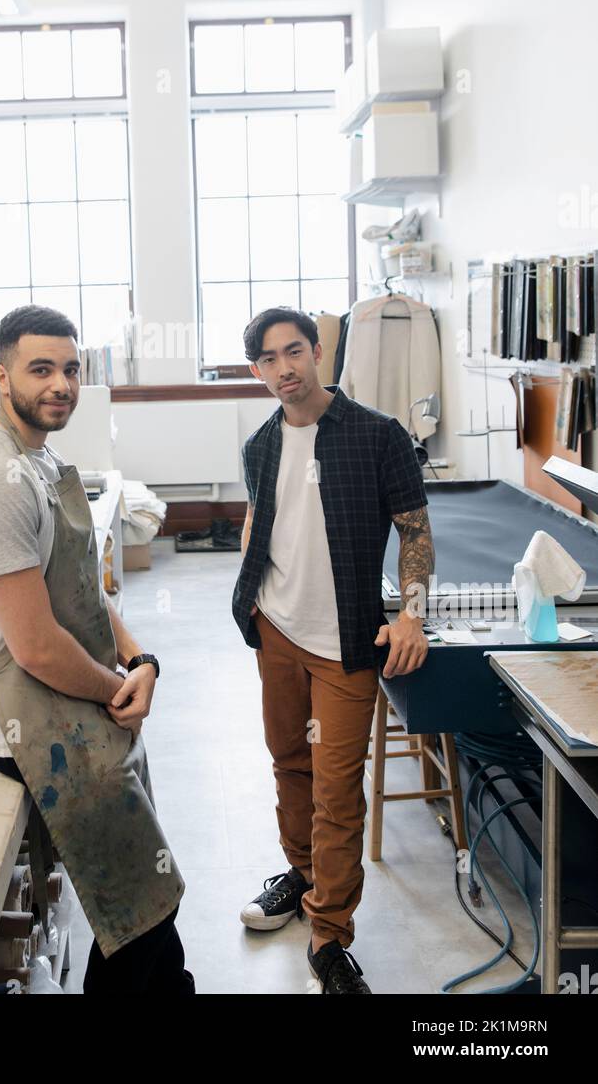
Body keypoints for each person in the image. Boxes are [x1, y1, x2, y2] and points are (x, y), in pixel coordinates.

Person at [0, 304, 193, 995]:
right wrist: (117, 692)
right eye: (40, 368)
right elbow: (38, 647)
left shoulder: (42, 458)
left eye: (71, 369)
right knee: (141, 912)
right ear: (0, 375)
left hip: (76, 697)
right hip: (25, 719)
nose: (61, 384)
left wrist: (140, 661)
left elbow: (82, 589)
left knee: (144, 900)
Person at [233, 307, 434, 995]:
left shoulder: (378, 437)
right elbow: (262, 520)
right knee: (290, 764)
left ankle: (328, 936)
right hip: (277, 634)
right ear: (256, 369)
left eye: (295, 352)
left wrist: (411, 616)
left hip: (346, 643)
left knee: (338, 790)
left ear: (319, 351)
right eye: (268, 358)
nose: (284, 368)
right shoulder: (259, 444)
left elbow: (413, 533)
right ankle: (304, 873)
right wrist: (253, 601)